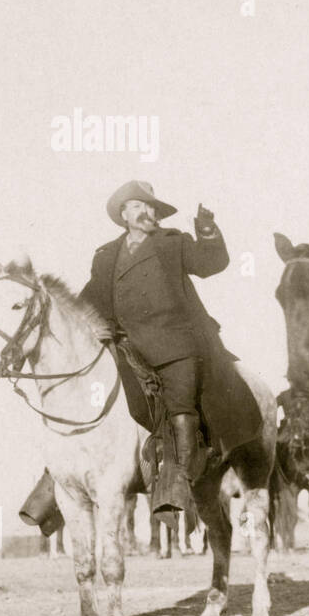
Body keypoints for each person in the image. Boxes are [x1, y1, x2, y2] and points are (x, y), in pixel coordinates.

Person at [79, 180, 259, 513]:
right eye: (137, 205)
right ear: (123, 214)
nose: (146, 211)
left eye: (151, 207)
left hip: (176, 341)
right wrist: (89, 323)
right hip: (124, 344)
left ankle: (176, 484)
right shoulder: (106, 255)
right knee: (84, 397)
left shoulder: (172, 242)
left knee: (180, 404)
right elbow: (89, 298)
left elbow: (210, 263)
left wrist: (207, 229)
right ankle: (56, 484)